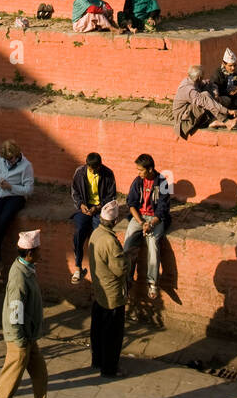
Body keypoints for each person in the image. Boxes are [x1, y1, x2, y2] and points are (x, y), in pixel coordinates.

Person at [0, 229, 67, 398]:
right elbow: (15, 309)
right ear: (30, 253)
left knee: (40, 373)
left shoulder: (26, 268)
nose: (40, 253)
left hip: (28, 335)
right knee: (10, 378)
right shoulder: (19, 277)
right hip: (20, 338)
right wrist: (20, 339)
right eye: (38, 250)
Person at [88, 200, 128, 378]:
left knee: (97, 329)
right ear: (115, 221)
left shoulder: (96, 234)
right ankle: (109, 368)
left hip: (99, 290)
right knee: (112, 334)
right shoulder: (111, 241)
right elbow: (119, 269)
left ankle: (97, 360)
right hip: (112, 294)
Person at [122, 154, 171, 300]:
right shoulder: (138, 181)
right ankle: (126, 280)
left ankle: (152, 283)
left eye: (140, 170)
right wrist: (142, 223)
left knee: (153, 244)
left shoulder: (162, 182)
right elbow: (131, 204)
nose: (138, 173)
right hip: (139, 218)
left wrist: (151, 224)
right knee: (128, 244)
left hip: (156, 219)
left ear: (150, 169)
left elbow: (163, 209)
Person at [0, 140, 33, 278]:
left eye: (11, 159)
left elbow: (28, 189)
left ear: (17, 155)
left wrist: (11, 187)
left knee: (3, 221)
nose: (9, 162)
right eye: (6, 159)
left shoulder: (26, 166)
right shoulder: (0, 160)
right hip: (1, 193)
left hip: (16, 196)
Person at [70, 152, 116, 283]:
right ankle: (78, 267)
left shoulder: (108, 174)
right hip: (84, 208)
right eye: (89, 168)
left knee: (99, 236)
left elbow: (111, 196)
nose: (91, 171)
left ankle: (99, 269)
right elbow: (74, 192)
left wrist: (98, 207)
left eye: (94, 169)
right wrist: (81, 204)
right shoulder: (80, 172)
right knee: (79, 232)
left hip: (100, 209)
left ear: (99, 167)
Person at [173, 66, 237, 138]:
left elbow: (211, 83)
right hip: (183, 122)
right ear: (199, 78)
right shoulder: (189, 90)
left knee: (213, 96)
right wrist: (227, 111)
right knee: (205, 95)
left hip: (191, 115)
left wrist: (215, 93)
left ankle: (213, 121)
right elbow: (205, 102)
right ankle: (226, 121)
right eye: (202, 76)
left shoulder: (194, 81)